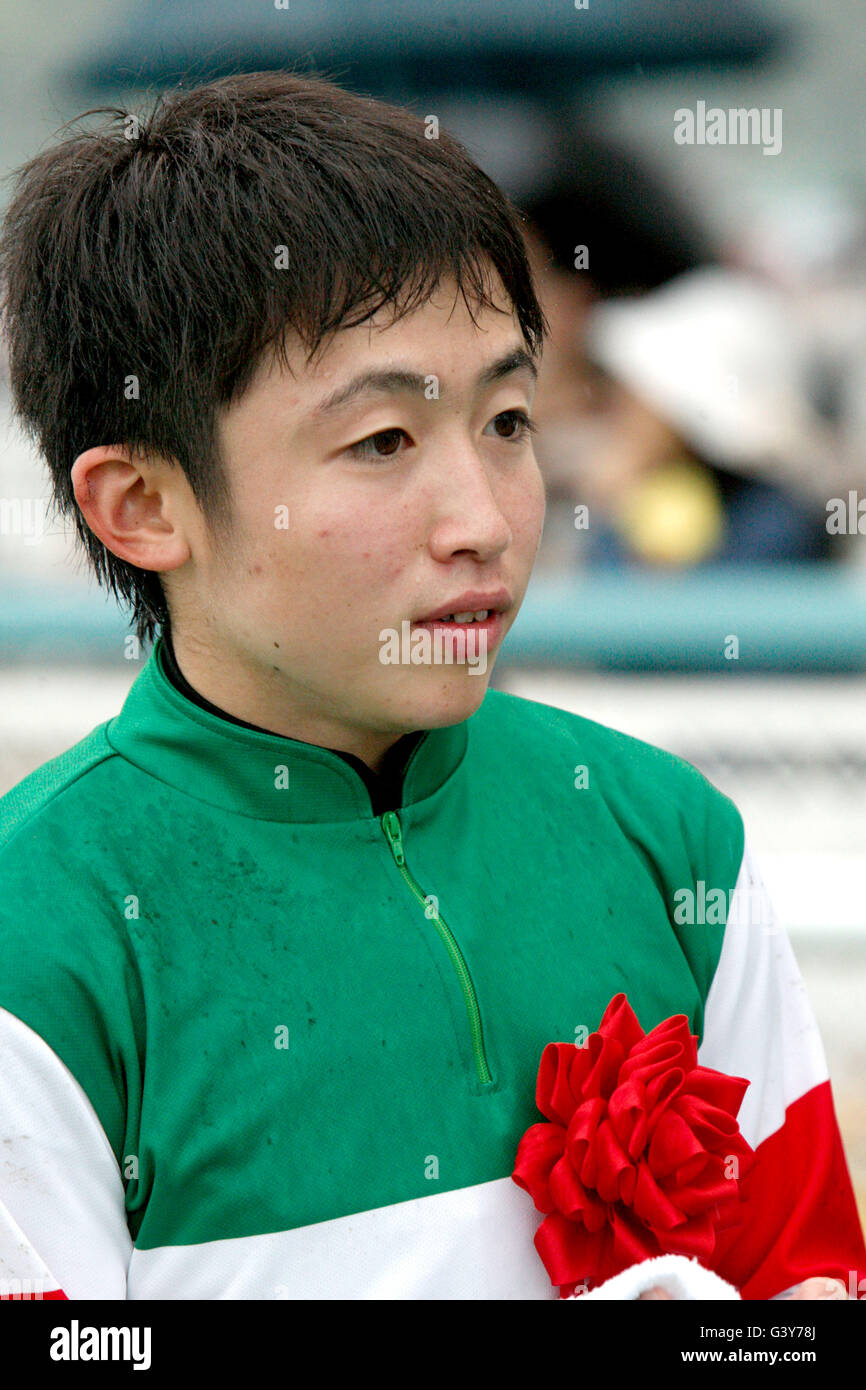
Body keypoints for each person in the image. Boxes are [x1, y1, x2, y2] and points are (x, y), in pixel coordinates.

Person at [0, 71, 862, 1301]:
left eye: (508, 420)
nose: (486, 520)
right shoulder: (41, 939)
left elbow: (808, 1286)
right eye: (383, 443)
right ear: (142, 504)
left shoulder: (664, 838)